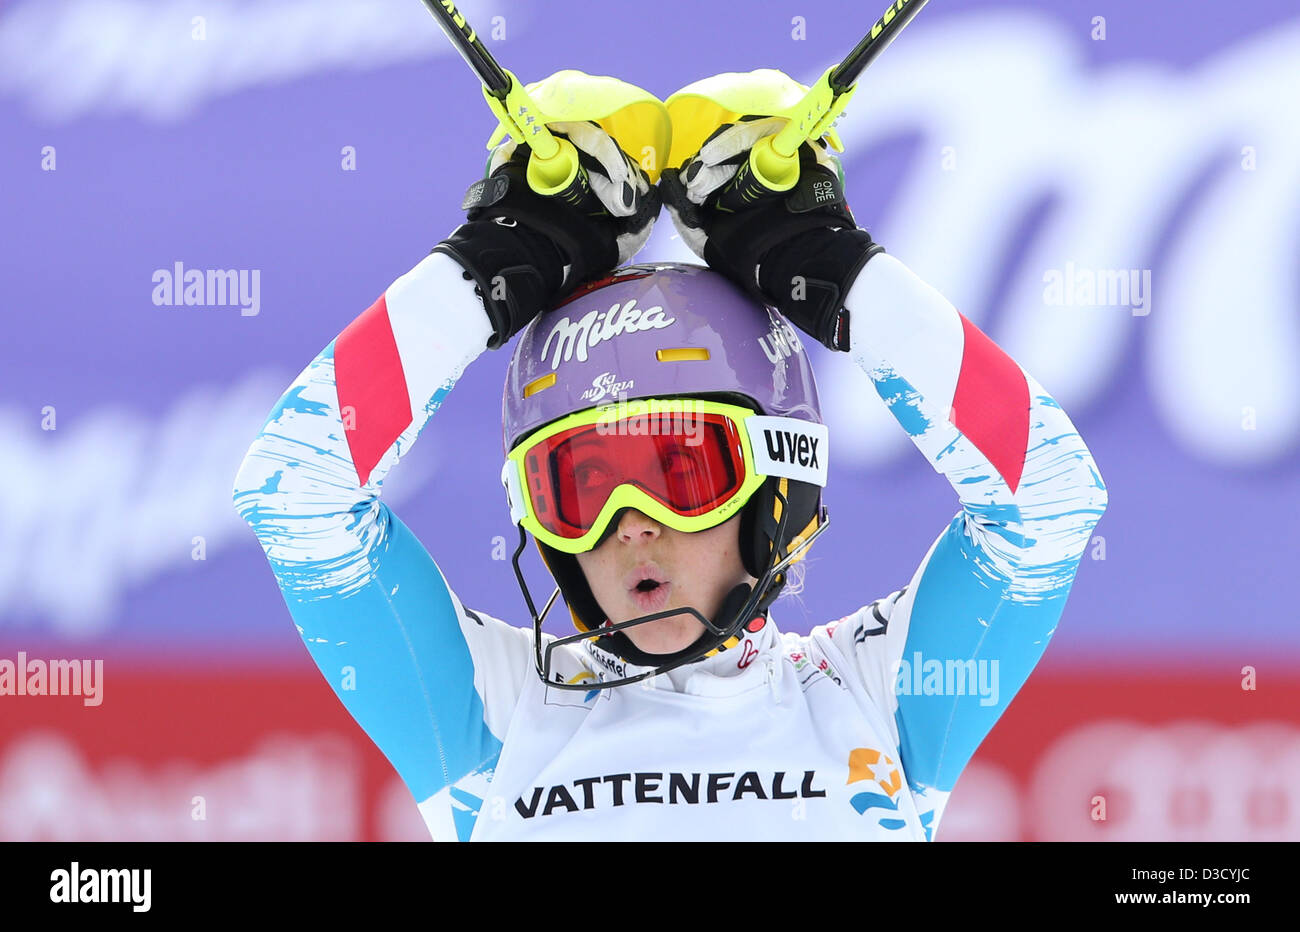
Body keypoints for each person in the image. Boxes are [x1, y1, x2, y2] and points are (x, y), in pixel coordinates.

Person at [233, 73, 1108, 841]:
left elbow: (1048, 501)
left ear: (780, 485)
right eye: (580, 490)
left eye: (682, 474)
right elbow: (295, 489)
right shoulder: (499, 717)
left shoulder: (866, 698)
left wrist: (839, 274)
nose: (631, 531)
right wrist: (487, 269)